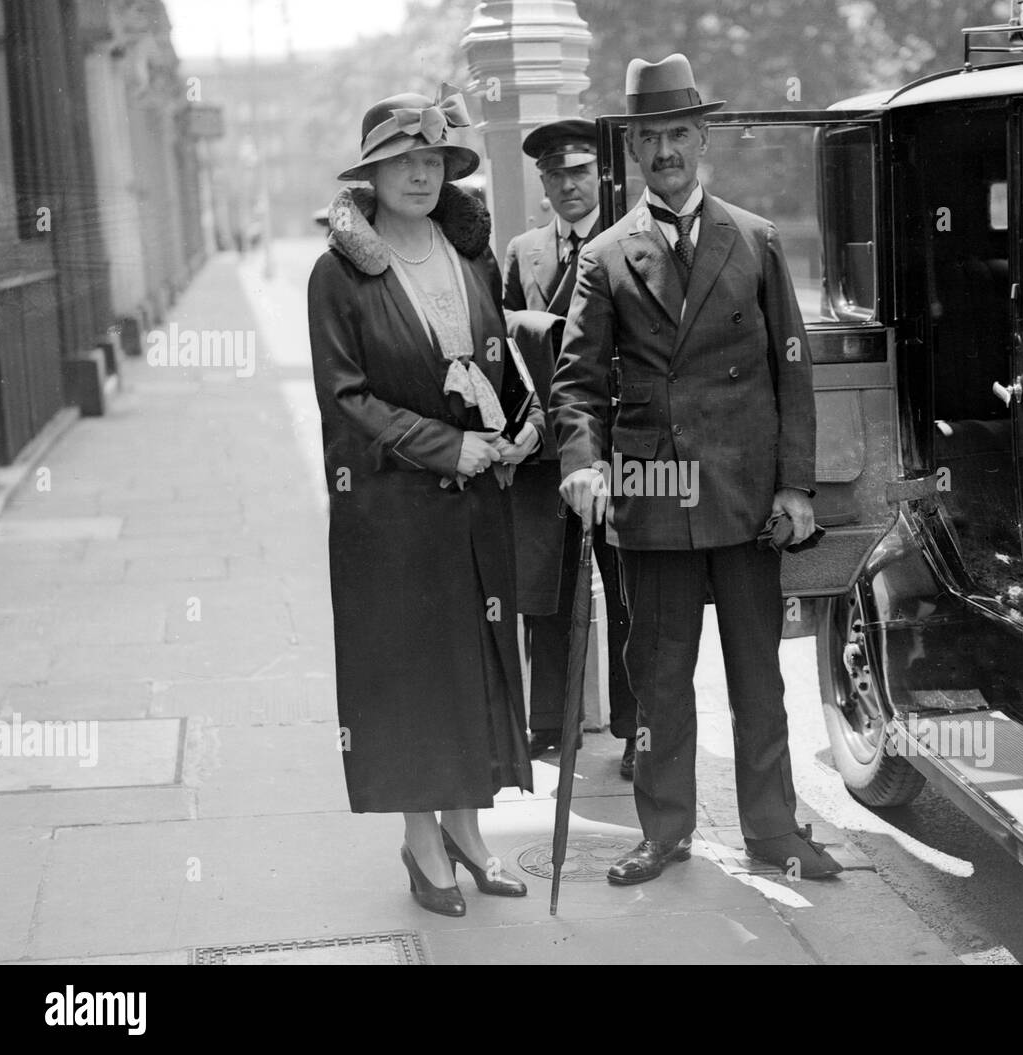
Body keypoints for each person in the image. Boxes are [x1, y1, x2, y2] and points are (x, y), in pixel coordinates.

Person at [549, 54, 841, 885]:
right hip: (652, 493)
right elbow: (576, 385)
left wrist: (795, 484)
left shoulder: (755, 240)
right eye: (651, 136)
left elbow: (792, 369)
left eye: (679, 132)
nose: (666, 149)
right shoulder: (605, 257)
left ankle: (775, 830)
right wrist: (582, 463)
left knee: (759, 678)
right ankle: (666, 828)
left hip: (747, 495)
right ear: (633, 146)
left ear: (701, 137)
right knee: (660, 679)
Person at [308, 88, 543, 917]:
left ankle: (467, 833)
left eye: (432, 159)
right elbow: (347, 401)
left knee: (476, 665)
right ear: (371, 172)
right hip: (391, 514)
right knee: (411, 677)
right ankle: (420, 843)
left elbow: (499, 358)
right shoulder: (337, 274)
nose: (419, 173)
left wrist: (522, 423)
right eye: (401, 160)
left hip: (475, 508)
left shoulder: (469, 255)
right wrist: (449, 445)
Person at [502, 118, 638, 779]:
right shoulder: (523, 251)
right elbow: (499, 348)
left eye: (580, 172)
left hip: (614, 450)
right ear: (544, 184)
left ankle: (637, 728)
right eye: (556, 175)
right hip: (542, 454)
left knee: (628, 590)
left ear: (600, 177)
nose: (569, 186)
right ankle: (548, 723)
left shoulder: (627, 244)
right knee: (545, 595)